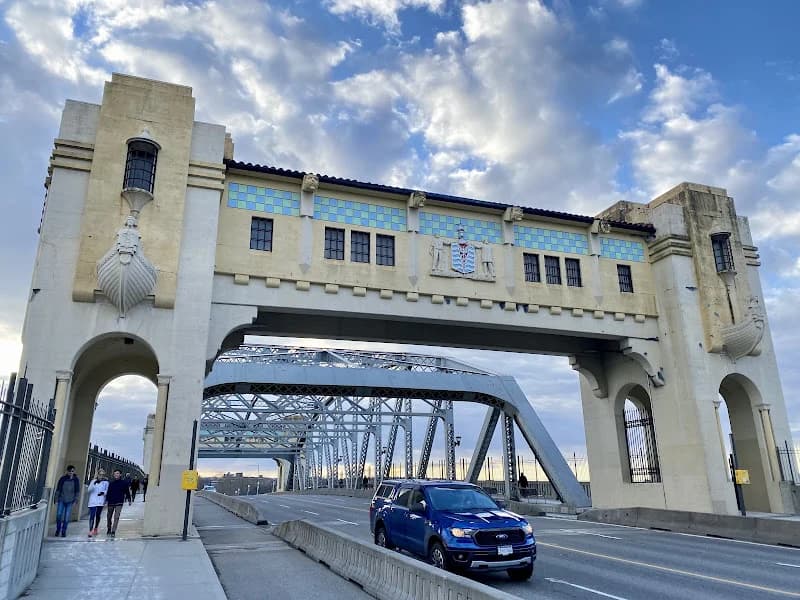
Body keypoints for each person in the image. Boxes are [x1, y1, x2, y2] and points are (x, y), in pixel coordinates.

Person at [54, 465, 81, 537]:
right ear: (67, 471)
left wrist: (76, 500)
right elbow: (58, 489)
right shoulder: (62, 479)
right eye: (70, 471)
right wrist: (56, 499)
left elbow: (77, 491)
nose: (71, 472)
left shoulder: (76, 480)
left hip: (70, 501)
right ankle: (58, 529)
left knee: (66, 517)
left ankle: (64, 531)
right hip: (62, 499)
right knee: (59, 515)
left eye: (72, 471)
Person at [105, 469, 132, 538]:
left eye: (117, 473)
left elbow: (127, 492)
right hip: (111, 502)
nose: (116, 475)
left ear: (120, 474)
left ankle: (113, 531)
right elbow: (108, 492)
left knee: (116, 517)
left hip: (119, 502)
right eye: (115, 474)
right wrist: (106, 500)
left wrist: (129, 499)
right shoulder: (111, 483)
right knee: (109, 517)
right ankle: (109, 528)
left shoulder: (124, 483)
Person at [86, 469, 108, 538]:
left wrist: (103, 493)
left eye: (102, 475)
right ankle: (90, 530)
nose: (101, 476)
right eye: (100, 474)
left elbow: (107, 490)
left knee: (98, 515)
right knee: (92, 515)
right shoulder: (93, 481)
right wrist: (93, 483)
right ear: (97, 474)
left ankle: (96, 528)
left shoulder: (105, 482)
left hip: (100, 501)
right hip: (93, 501)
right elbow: (89, 490)